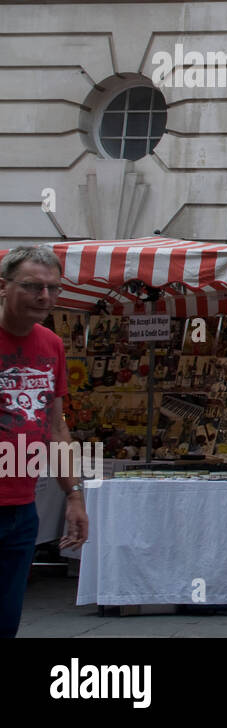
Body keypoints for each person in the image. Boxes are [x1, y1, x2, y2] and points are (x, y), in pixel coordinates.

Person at [0, 245, 89, 638]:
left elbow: (56, 427)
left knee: (6, 619)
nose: (45, 297)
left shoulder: (51, 344)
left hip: (22, 508)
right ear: (3, 287)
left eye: (53, 289)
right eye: (33, 286)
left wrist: (73, 496)